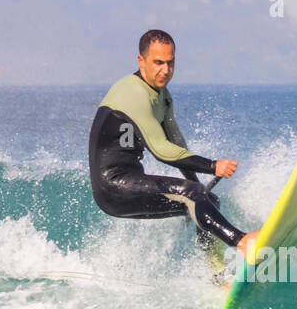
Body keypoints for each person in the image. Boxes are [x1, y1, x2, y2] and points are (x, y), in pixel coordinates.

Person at [88, 30, 257, 270]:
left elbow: (177, 146)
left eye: (170, 62)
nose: (165, 70)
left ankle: (218, 275)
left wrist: (199, 186)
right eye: (158, 63)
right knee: (193, 194)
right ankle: (241, 241)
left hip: (131, 182)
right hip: (113, 187)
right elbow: (162, 150)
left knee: (207, 201)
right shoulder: (133, 94)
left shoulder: (163, 97)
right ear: (141, 61)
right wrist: (212, 166)